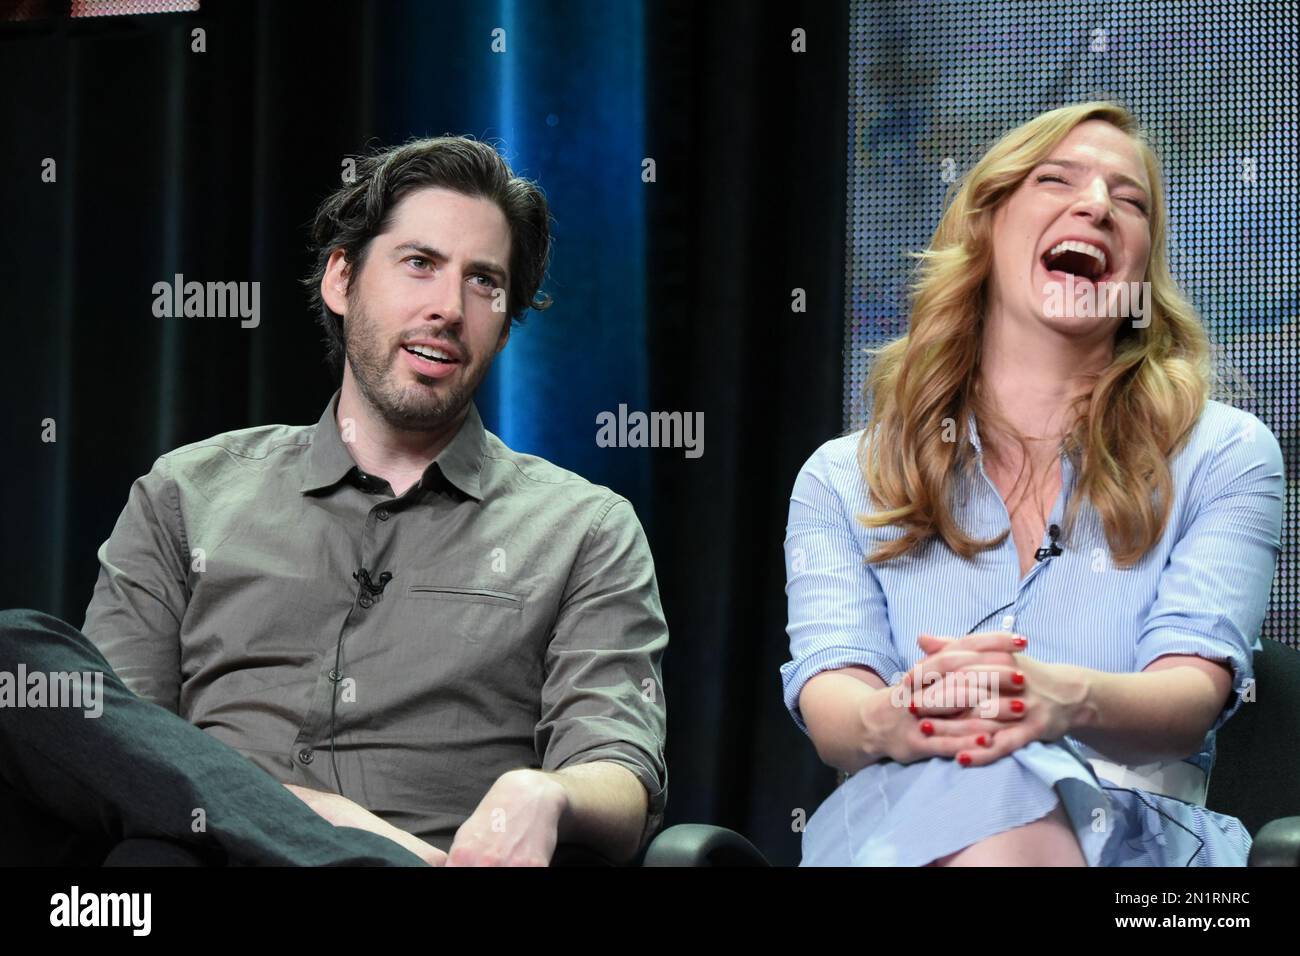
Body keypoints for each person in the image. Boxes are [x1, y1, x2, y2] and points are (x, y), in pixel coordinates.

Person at [0, 136, 667, 867]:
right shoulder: (186, 493)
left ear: (505, 327)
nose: (447, 307)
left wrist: (543, 793)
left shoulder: (583, 529)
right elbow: (117, 750)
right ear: (341, 280)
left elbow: (621, 771)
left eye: (483, 282)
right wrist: (308, 813)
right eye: (420, 264)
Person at [781, 102, 1284, 866]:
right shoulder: (844, 477)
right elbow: (835, 704)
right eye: (1057, 180)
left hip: (1144, 854)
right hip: (902, 832)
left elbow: (1189, 699)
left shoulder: (1223, 452)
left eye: (1131, 199)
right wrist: (901, 715)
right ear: (986, 228)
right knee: (983, 786)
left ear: (1143, 267)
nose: (1096, 205)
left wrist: (1052, 700)